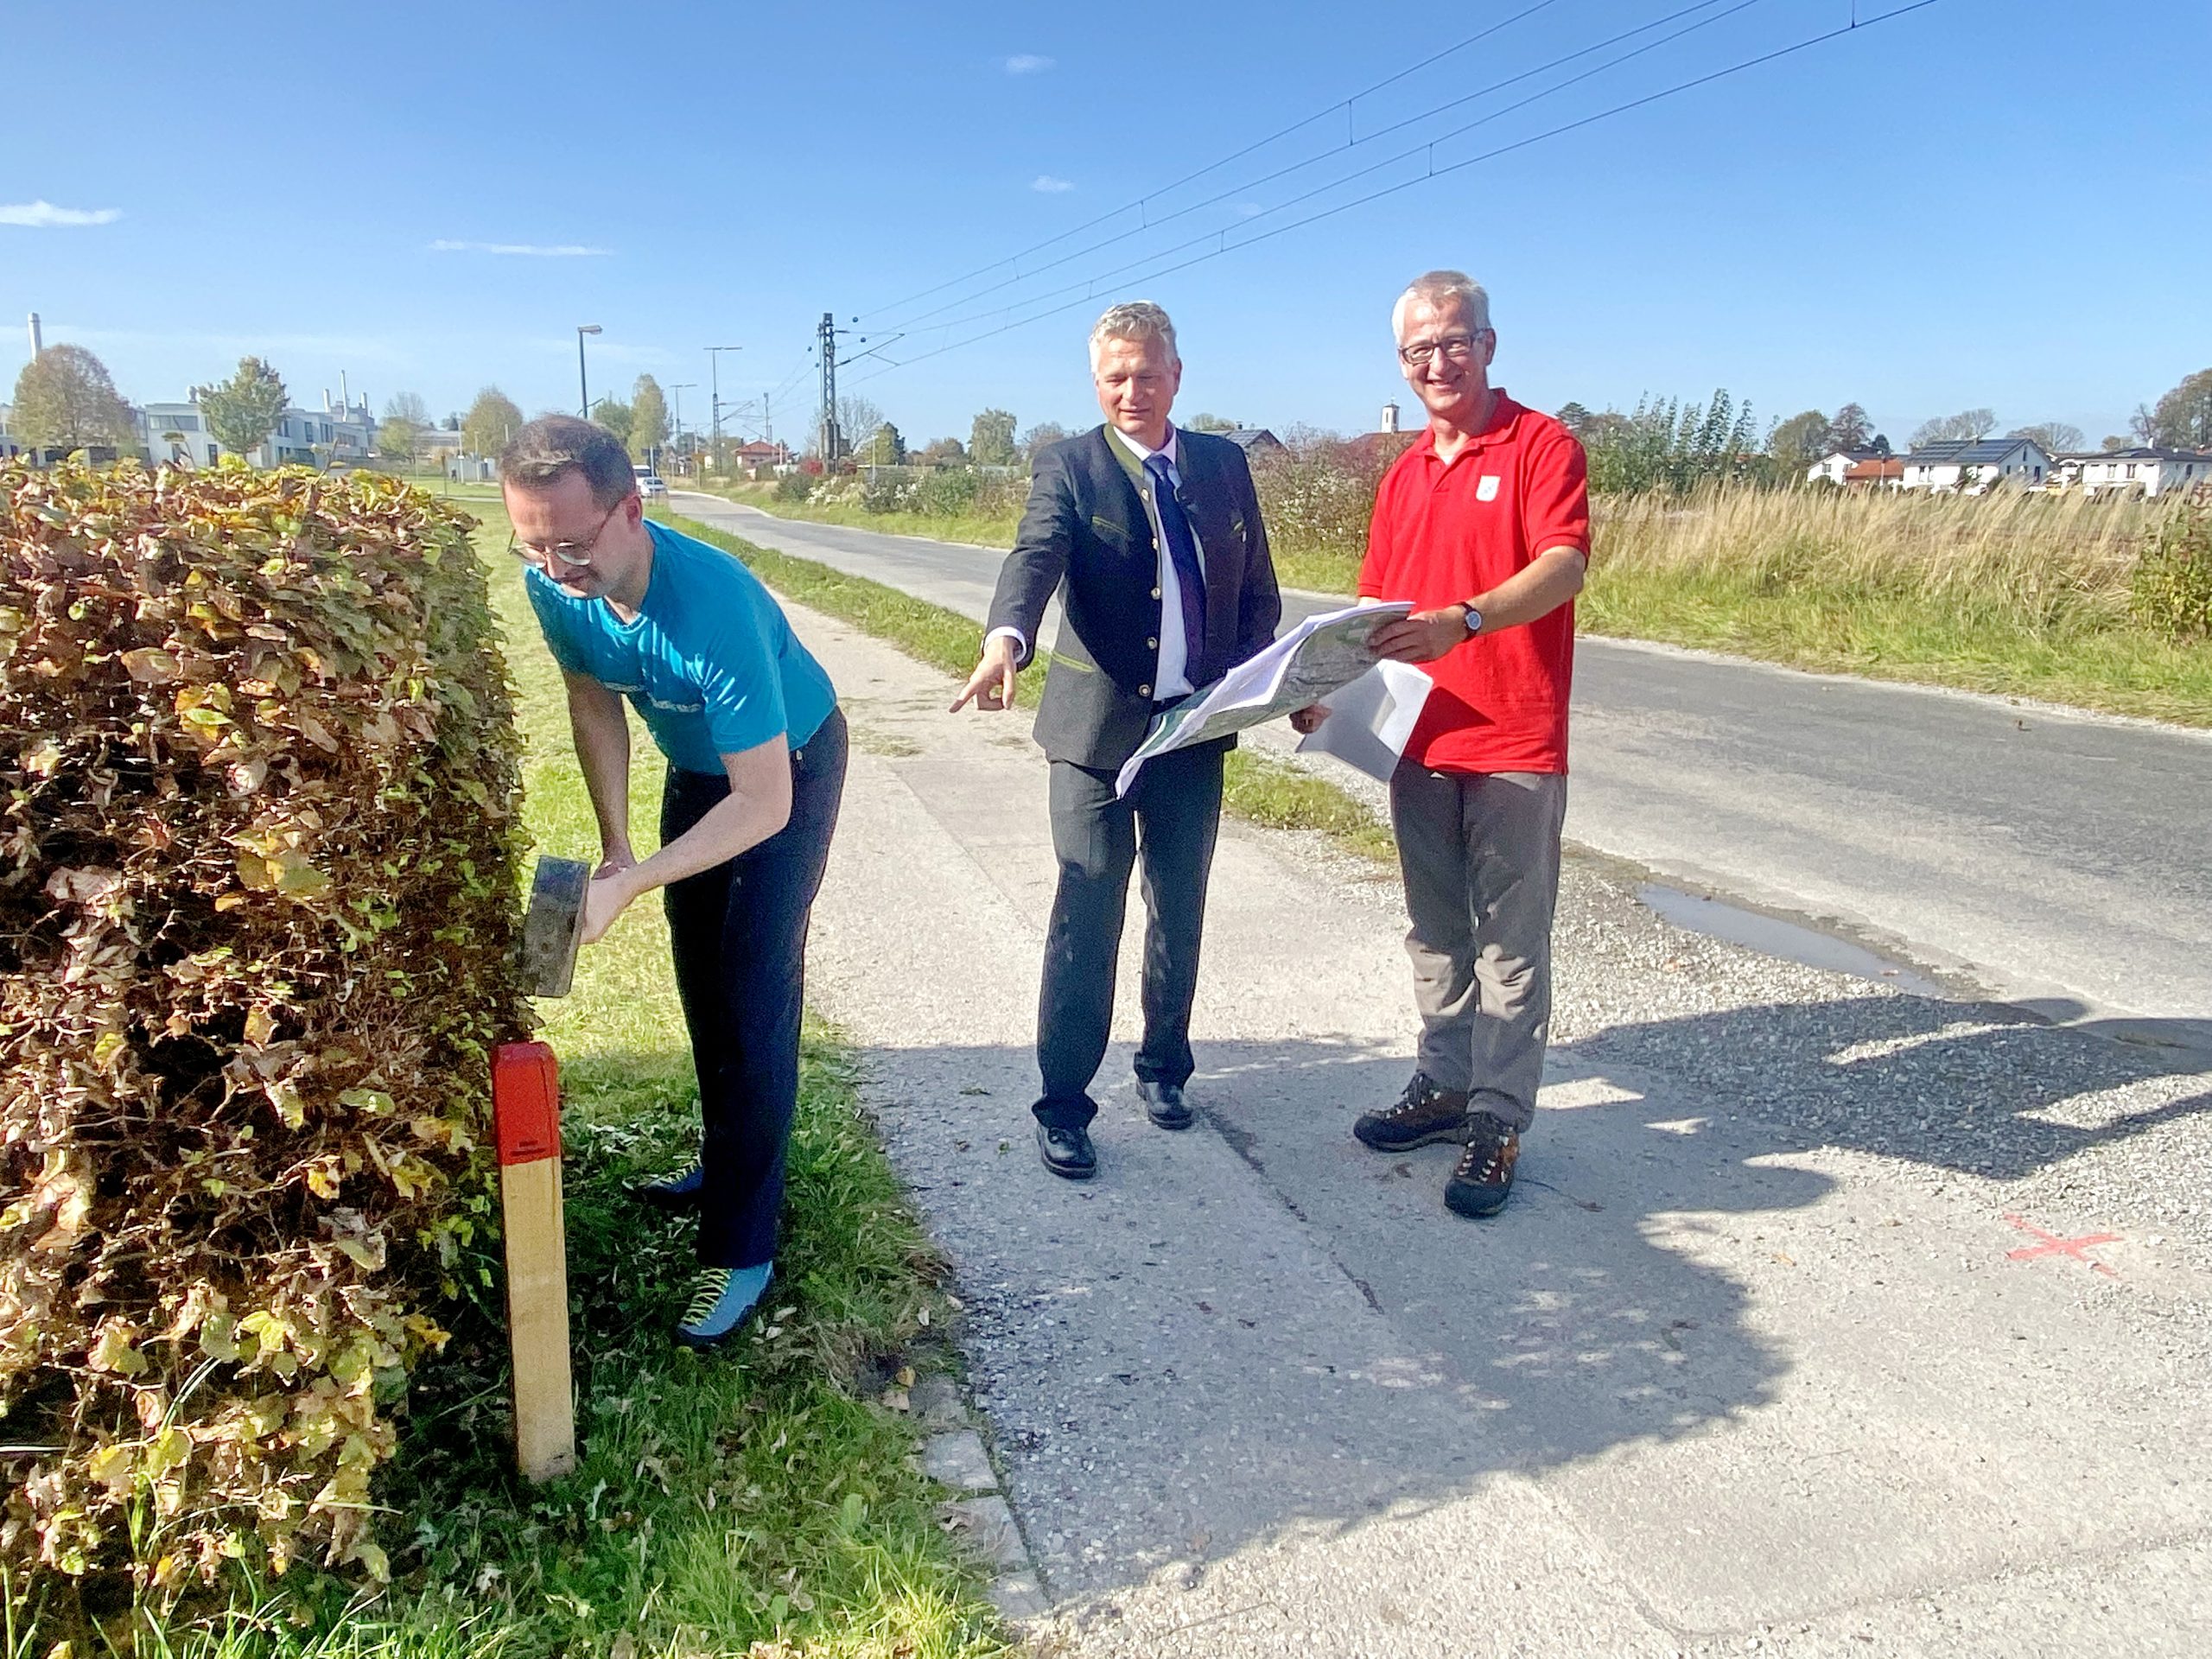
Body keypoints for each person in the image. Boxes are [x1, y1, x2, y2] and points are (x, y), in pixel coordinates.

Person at [500, 416, 847, 1343]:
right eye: (531, 544)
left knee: (751, 987)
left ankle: (743, 1246)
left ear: (632, 510)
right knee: (700, 977)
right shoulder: (554, 587)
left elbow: (765, 803)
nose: (554, 567)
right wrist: (618, 851)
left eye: (571, 544)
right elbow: (591, 700)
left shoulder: (713, 602)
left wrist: (638, 880)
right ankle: (723, 1156)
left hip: (787, 772)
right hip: (700, 774)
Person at [952, 302, 1282, 1180]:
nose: (1130, 390)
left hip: (1191, 731)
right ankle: (1063, 1106)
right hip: (1094, 734)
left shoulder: (1220, 465)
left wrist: (1255, 688)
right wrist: (1004, 640)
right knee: (1086, 907)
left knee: (1179, 905)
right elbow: (1034, 558)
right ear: (1095, 384)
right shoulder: (1071, 466)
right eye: (1113, 378)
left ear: (1177, 375)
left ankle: (1165, 1068)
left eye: (1144, 373)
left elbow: (1256, 590)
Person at [1296, 270, 1590, 1219]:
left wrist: (1464, 621)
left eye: (1453, 341)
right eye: (1419, 349)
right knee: (1436, 932)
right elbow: (1374, 615)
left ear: (1489, 345)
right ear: (1401, 362)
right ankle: (1443, 1085)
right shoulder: (1405, 473)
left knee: (1509, 943)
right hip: (1414, 742)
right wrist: (1327, 696)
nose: (1438, 360)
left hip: (1512, 738)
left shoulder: (1541, 445)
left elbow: (1563, 566)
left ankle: (1497, 1119)